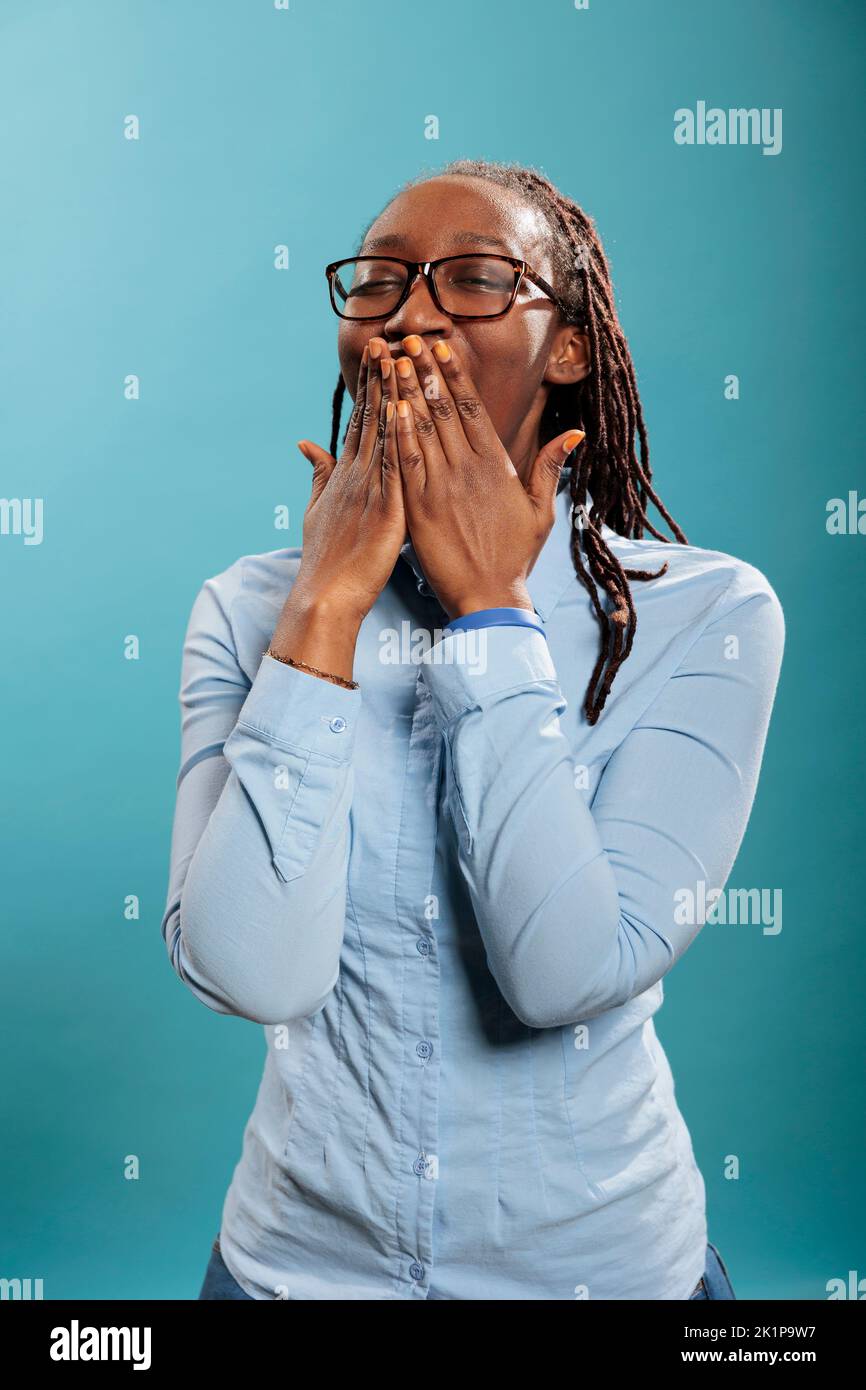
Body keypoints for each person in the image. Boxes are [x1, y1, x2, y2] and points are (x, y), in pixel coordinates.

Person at [160, 159, 784, 1300]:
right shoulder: (250, 608)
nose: (408, 314)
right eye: (382, 282)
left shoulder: (710, 615)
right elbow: (250, 969)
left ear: (568, 346)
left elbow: (563, 972)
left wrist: (492, 616)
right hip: (294, 1273)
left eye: (475, 281)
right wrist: (323, 610)